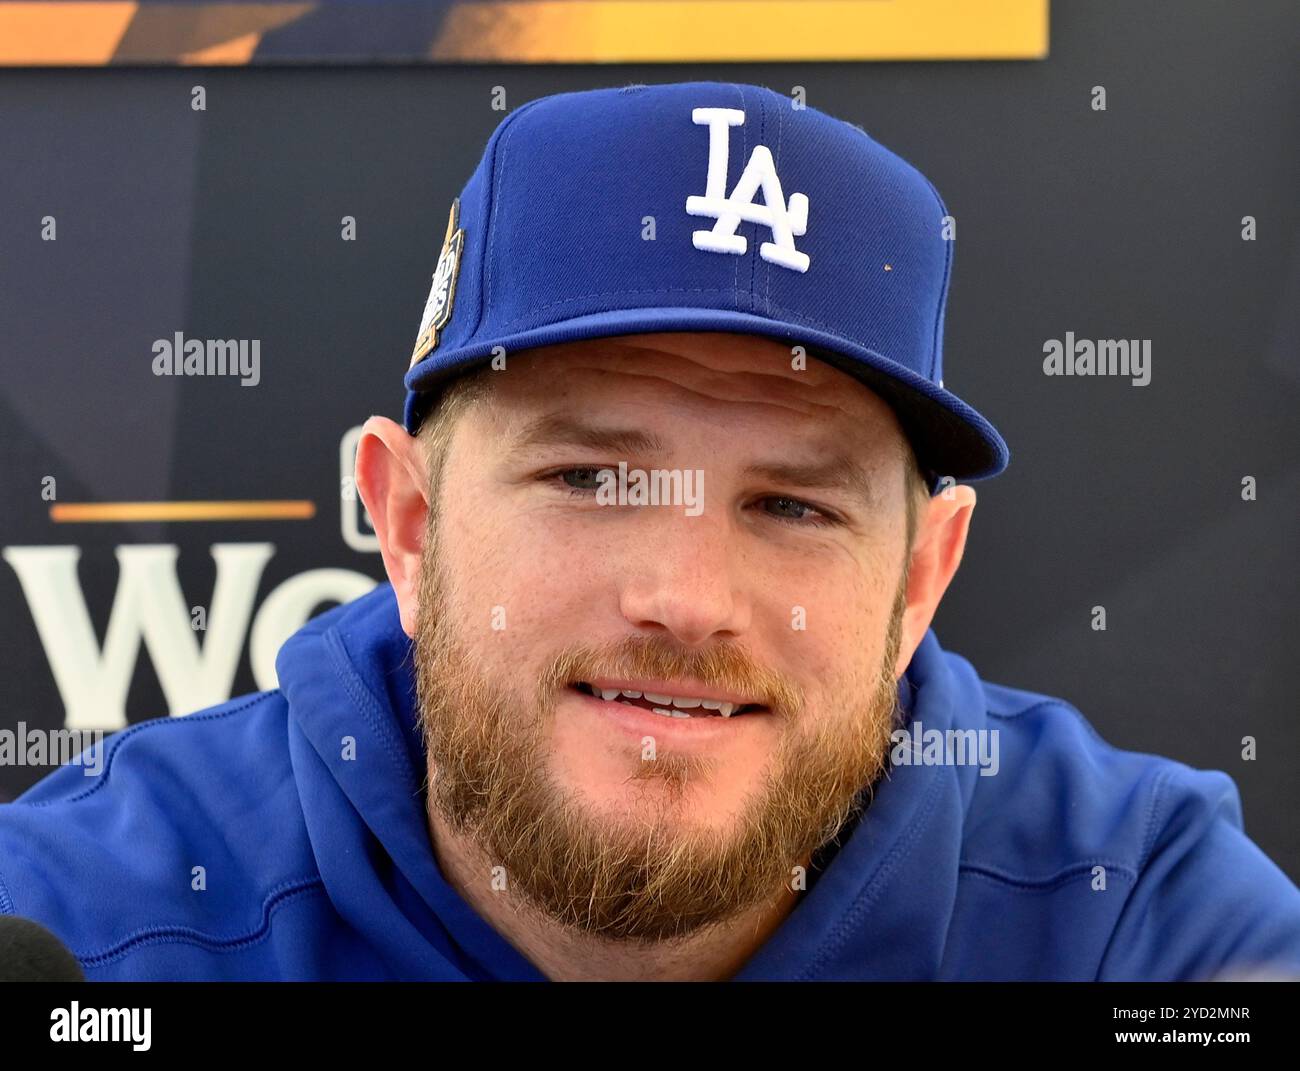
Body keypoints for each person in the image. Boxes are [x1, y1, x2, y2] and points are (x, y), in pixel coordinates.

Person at [2, 81, 1298, 981]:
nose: (686, 595)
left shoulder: (1134, 919)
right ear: (406, 521)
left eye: (792, 504)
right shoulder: (90, 925)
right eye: (590, 478)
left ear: (920, 577)